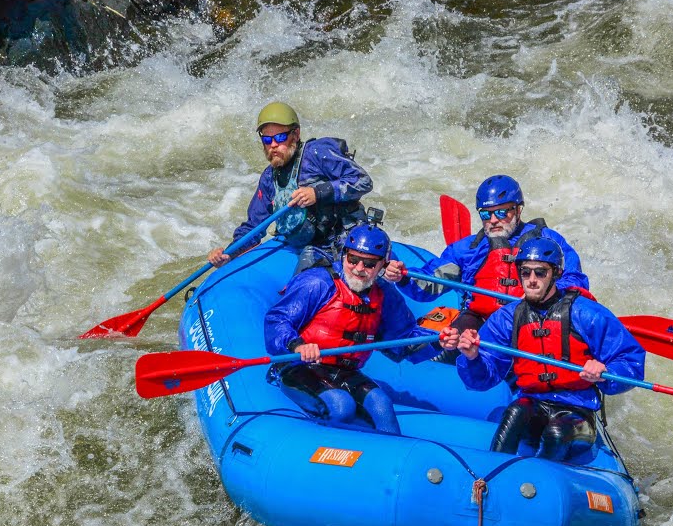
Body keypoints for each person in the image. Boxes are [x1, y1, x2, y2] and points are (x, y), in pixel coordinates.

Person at [437, 236, 645, 462]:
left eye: (540, 272)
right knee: (514, 412)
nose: (532, 280)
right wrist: (472, 357)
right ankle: (489, 475)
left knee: (555, 434)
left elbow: (630, 361)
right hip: (533, 404)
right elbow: (480, 380)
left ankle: (543, 484)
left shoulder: (586, 313)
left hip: (577, 410)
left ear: (555, 273)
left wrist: (605, 373)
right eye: (525, 272)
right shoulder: (508, 318)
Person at [384, 174, 591, 363]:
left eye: (501, 212)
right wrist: (402, 277)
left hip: (535, 319)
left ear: (518, 210)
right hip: (480, 320)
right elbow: (429, 285)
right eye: (486, 214)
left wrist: (543, 297)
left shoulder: (549, 241)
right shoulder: (468, 249)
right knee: (435, 343)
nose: (493, 220)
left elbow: (575, 280)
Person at [264, 223, 442, 434]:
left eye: (368, 264)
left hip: (345, 371)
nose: (359, 268)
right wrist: (296, 345)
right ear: (344, 256)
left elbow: (404, 339)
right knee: (341, 406)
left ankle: (387, 459)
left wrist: (440, 341)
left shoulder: (385, 296)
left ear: (382, 266)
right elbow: (277, 320)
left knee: (382, 404)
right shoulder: (318, 282)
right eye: (353, 259)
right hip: (299, 367)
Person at [209, 101, 374, 274]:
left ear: (295, 134)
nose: (273, 144)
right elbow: (253, 227)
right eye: (267, 139)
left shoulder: (317, 153)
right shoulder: (268, 178)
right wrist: (229, 254)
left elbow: (363, 180)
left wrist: (317, 193)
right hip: (305, 246)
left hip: (344, 241)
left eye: (279, 137)